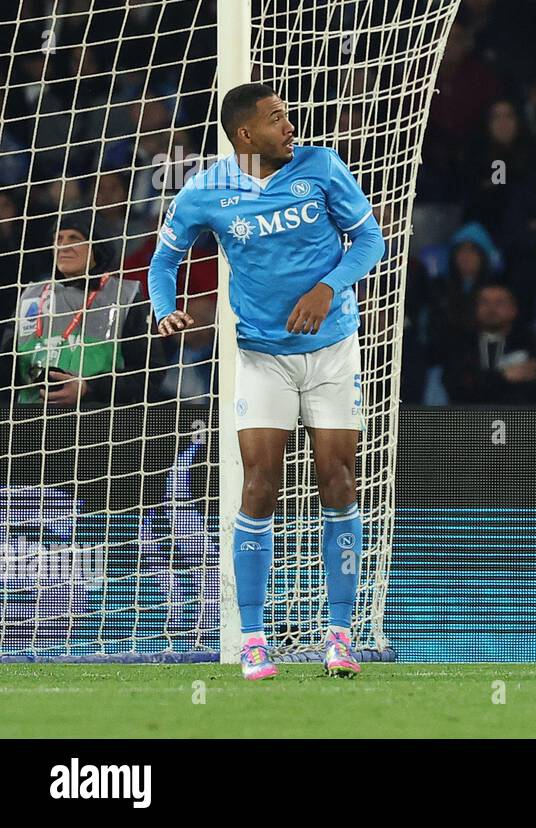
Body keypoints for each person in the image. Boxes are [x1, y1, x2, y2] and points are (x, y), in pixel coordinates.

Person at [148, 83, 385, 681]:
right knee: (259, 481)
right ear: (245, 135)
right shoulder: (206, 190)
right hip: (260, 356)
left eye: (287, 115)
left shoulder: (322, 166)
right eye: (277, 119)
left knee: (338, 478)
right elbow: (164, 258)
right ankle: (253, 637)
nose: (291, 125)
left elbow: (370, 240)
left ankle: (339, 635)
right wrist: (164, 306)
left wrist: (327, 287)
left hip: (331, 350)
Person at [7, 212, 150, 407]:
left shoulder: (125, 296)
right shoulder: (30, 295)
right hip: (30, 419)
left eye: (74, 238)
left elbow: (149, 374)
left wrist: (87, 388)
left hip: (95, 423)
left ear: (96, 247)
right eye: (58, 238)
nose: (63, 246)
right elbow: (6, 368)